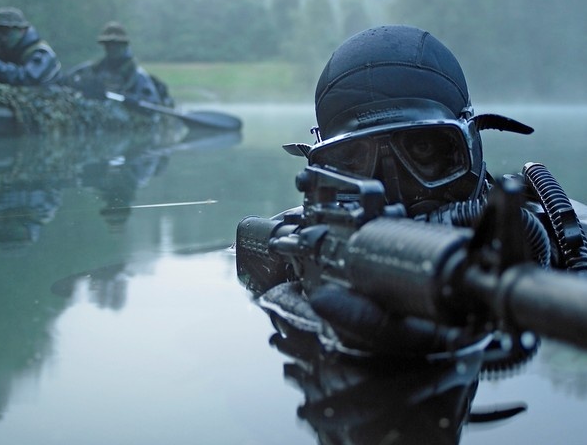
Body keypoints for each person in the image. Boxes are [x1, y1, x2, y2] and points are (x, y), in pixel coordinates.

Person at [237, 24, 587, 355]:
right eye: (354, 161)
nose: (397, 194)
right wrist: (296, 314)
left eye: (424, 149)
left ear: (472, 142)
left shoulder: (564, 237)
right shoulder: (295, 246)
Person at [63, 22, 173, 106]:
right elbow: (66, 79)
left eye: (116, 44)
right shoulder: (94, 68)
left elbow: (152, 103)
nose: (112, 48)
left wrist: (129, 99)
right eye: (108, 44)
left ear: (124, 45)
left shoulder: (138, 76)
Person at [0, 7, 61, 86]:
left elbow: (26, 78)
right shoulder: (8, 52)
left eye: (6, 32)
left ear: (22, 30)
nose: (2, 38)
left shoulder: (42, 52)